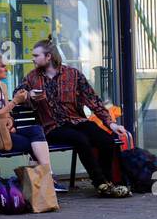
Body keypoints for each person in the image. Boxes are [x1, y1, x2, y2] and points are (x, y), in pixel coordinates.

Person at [13, 39, 131, 197]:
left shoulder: (73, 75)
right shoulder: (32, 77)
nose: (32, 59)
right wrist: (29, 96)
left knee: (107, 140)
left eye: (36, 55)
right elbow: (17, 94)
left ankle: (109, 182)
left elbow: (93, 100)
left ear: (48, 56)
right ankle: (101, 184)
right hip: (51, 127)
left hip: (77, 121)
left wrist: (111, 124)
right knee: (80, 139)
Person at [0, 46, 65, 192]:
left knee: (36, 130)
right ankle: (44, 182)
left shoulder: (2, 85)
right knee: (32, 143)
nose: (6, 69)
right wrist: (15, 101)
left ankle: (46, 178)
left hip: (4, 132)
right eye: (2, 66)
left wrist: (11, 122)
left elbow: (6, 114)